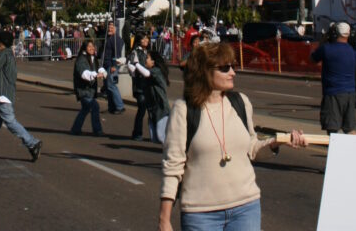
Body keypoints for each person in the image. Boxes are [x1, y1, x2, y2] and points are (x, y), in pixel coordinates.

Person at [158, 42, 306, 231]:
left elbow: (252, 148)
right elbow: (173, 166)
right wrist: (164, 219)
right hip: (201, 214)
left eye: (233, 66)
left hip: (246, 208)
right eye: (225, 68)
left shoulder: (240, 103)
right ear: (204, 71)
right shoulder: (184, 110)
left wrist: (279, 141)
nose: (233, 72)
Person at [0, 30, 41, 161]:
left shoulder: (4, 54)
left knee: (10, 122)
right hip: (0, 92)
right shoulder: (7, 53)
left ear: (3, 43)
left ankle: (32, 143)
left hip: (4, 94)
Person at [310, 22, 356, 134]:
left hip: (333, 93)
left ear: (335, 33)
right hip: (350, 93)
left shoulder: (326, 49)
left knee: (332, 129)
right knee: (350, 129)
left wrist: (323, 40)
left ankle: (333, 150)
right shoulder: (352, 51)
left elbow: (312, 59)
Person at [133, 49, 170, 143]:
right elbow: (135, 71)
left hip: (161, 108)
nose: (145, 60)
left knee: (161, 137)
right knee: (155, 139)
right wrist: (129, 63)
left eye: (148, 58)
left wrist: (136, 63)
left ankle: (175, 152)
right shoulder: (149, 71)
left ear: (153, 61)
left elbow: (146, 73)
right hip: (152, 109)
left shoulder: (156, 71)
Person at [70, 39, 107, 136]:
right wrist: (95, 75)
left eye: (93, 46)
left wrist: (103, 72)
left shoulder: (93, 58)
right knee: (95, 106)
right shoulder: (81, 59)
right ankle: (97, 130)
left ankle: (75, 129)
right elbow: (84, 74)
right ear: (85, 48)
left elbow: (98, 67)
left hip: (90, 90)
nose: (92, 48)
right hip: (83, 90)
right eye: (89, 46)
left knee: (85, 109)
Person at [128, 31, 150, 140]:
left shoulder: (149, 52)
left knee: (151, 110)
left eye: (147, 38)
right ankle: (137, 132)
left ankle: (155, 134)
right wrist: (137, 71)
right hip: (140, 86)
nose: (146, 40)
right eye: (143, 38)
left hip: (149, 85)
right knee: (142, 108)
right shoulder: (135, 52)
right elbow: (131, 66)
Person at [101, 20, 125, 114]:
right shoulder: (110, 38)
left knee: (111, 85)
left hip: (112, 65)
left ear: (116, 29)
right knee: (107, 86)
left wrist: (114, 65)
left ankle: (120, 106)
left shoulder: (116, 40)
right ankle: (111, 107)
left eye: (112, 27)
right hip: (107, 64)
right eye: (109, 27)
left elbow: (117, 54)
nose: (109, 29)